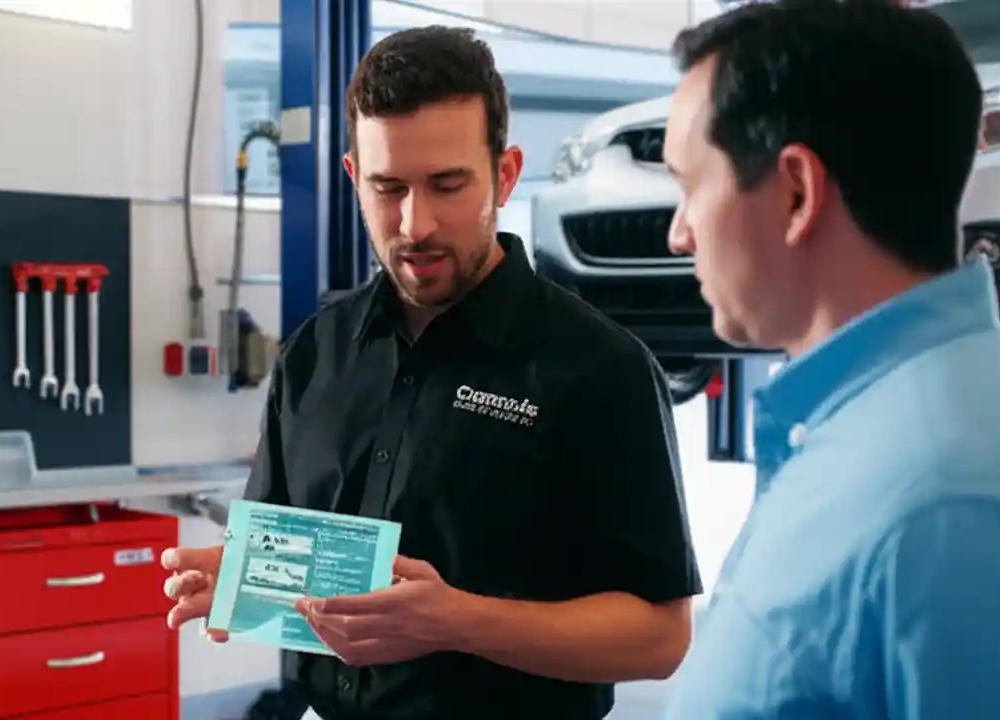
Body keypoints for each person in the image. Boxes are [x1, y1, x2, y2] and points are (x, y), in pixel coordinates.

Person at [163, 25, 702, 720]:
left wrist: (455, 621)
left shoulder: (600, 370)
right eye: (389, 188)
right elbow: (304, 571)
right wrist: (248, 580)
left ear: (505, 175)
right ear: (355, 178)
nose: (416, 224)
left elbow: (658, 638)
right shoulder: (314, 355)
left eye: (447, 186)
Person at [659, 1, 1000, 717]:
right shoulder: (863, 433)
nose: (679, 234)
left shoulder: (950, 503)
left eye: (689, 188)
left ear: (797, 192)